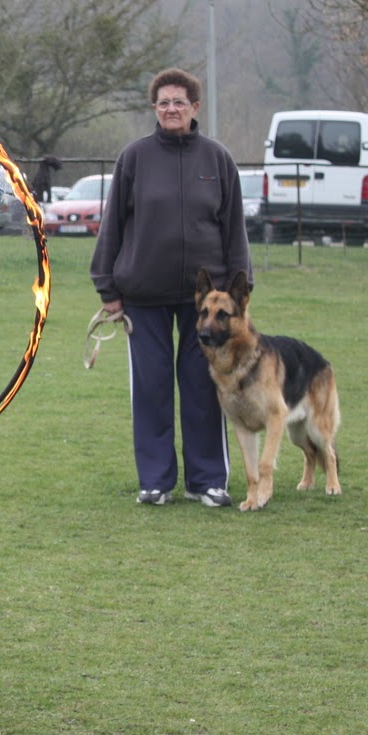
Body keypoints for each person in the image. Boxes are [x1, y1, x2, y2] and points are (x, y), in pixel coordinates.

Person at [89, 68, 251, 508]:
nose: (171, 109)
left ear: (195, 107)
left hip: (206, 305)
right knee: (152, 388)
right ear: (154, 108)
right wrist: (107, 286)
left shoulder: (217, 160)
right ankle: (155, 481)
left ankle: (207, 480)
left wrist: (240, 291)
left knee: (202, 387)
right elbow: (113, 225)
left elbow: (234, 228)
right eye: (163, 102)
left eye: (179, 102)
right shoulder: (134, 158)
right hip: (143, 296)